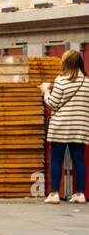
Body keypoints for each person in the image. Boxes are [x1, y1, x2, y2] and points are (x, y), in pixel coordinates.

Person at [41, 50, 89, 204]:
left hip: (60, 126)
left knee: (56, 159)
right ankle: (80, 193)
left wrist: (45, 92)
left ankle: (54, 193)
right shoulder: (87, 82)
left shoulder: (61, 80)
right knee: (79, 160)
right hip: (79, 127)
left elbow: (53, 103)